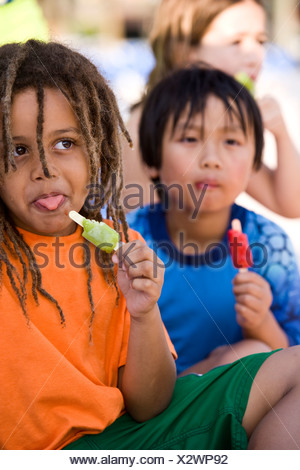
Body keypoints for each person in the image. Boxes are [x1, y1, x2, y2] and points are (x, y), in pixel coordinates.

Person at [1, 40, 300, 452]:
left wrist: (144, 314)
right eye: (18, 150)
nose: (46, 169)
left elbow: (149, 404)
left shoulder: (125, 245)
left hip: (125, 438)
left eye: (65, 143)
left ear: (97, 150)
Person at [127, 65, 300, 376]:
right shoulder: (128, 239)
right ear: (153, 160)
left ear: (254, 163)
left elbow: (292, 360)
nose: (211, 158)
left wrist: (261, 322)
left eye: (231, 141)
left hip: (231, 406)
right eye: (190, 138)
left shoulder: (268, 242)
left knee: (256, 351)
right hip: (145, 408)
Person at [122, 0, 300, 220]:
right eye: (236, 41)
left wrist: (280, 133)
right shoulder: (147, 124)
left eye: (261, 41)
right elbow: (133, 234)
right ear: (184, 48)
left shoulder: (223, 122)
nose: (256, 57)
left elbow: (293, 205)